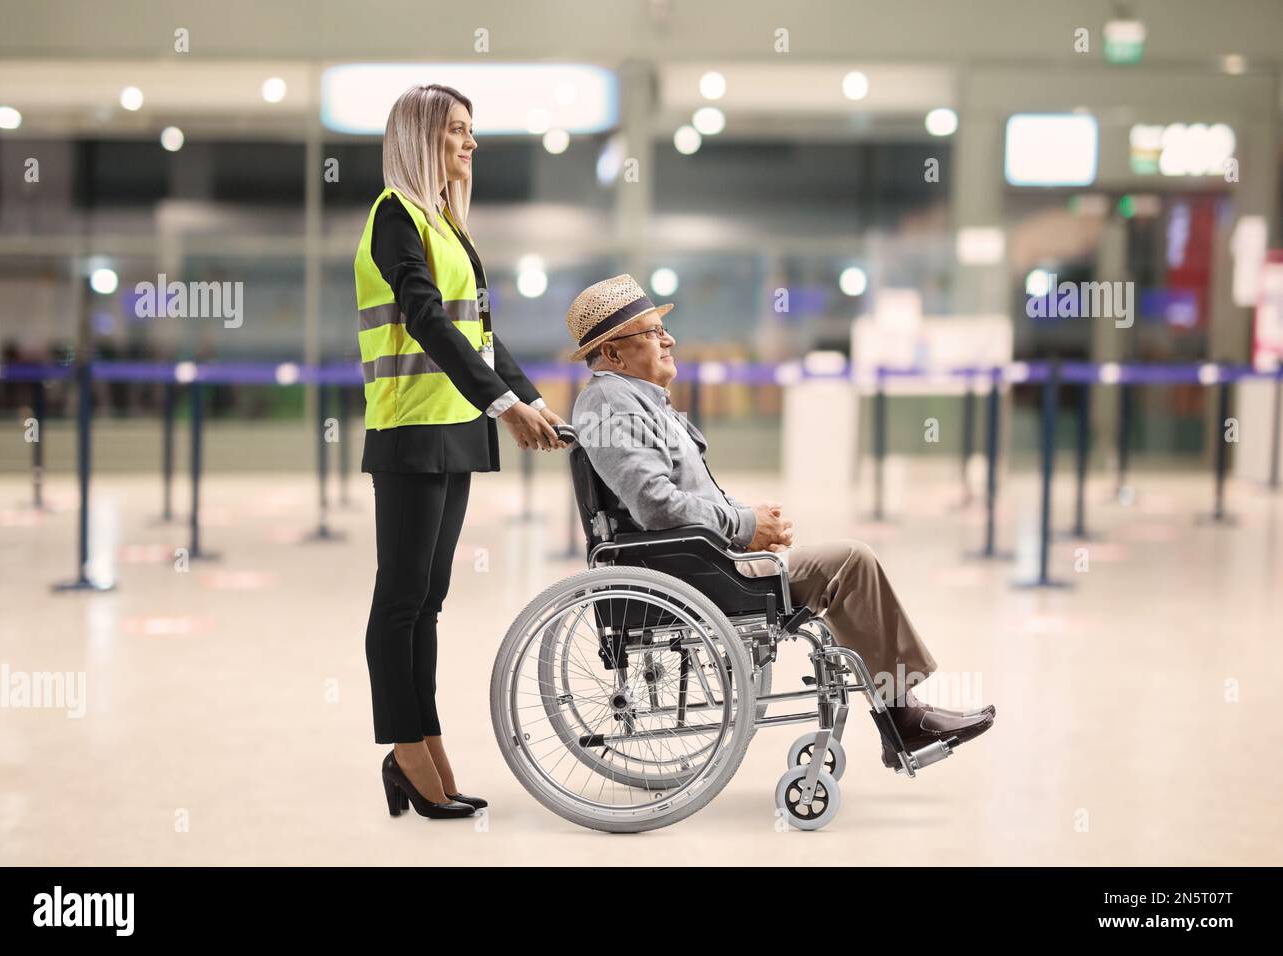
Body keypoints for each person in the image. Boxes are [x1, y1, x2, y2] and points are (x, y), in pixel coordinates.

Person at [566, 275, 995, 769]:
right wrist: (744, 525)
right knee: (850, 563)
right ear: (615, 355)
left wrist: (750, 520)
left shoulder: (637, 399)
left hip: (699, 557)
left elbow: (677, 498)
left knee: (842, 566)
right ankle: (904, 717)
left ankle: (901, 715)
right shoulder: (609, 403)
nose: (670, 339)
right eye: (653, 332)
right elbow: (655, 504)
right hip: (683, 570)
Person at [356, 84, 567, 819]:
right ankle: (407, 751)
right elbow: (422, 318)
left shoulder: (448, 226)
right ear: (420, 138)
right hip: (411, 431)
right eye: (456, 131)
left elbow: (477, 332)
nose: (470, 144)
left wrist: (530, 397)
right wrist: (502, 404)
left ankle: (424, 740)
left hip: (453, 431)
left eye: (471, 131)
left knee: (429, 602)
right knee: (401, 598)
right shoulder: (395, 217)